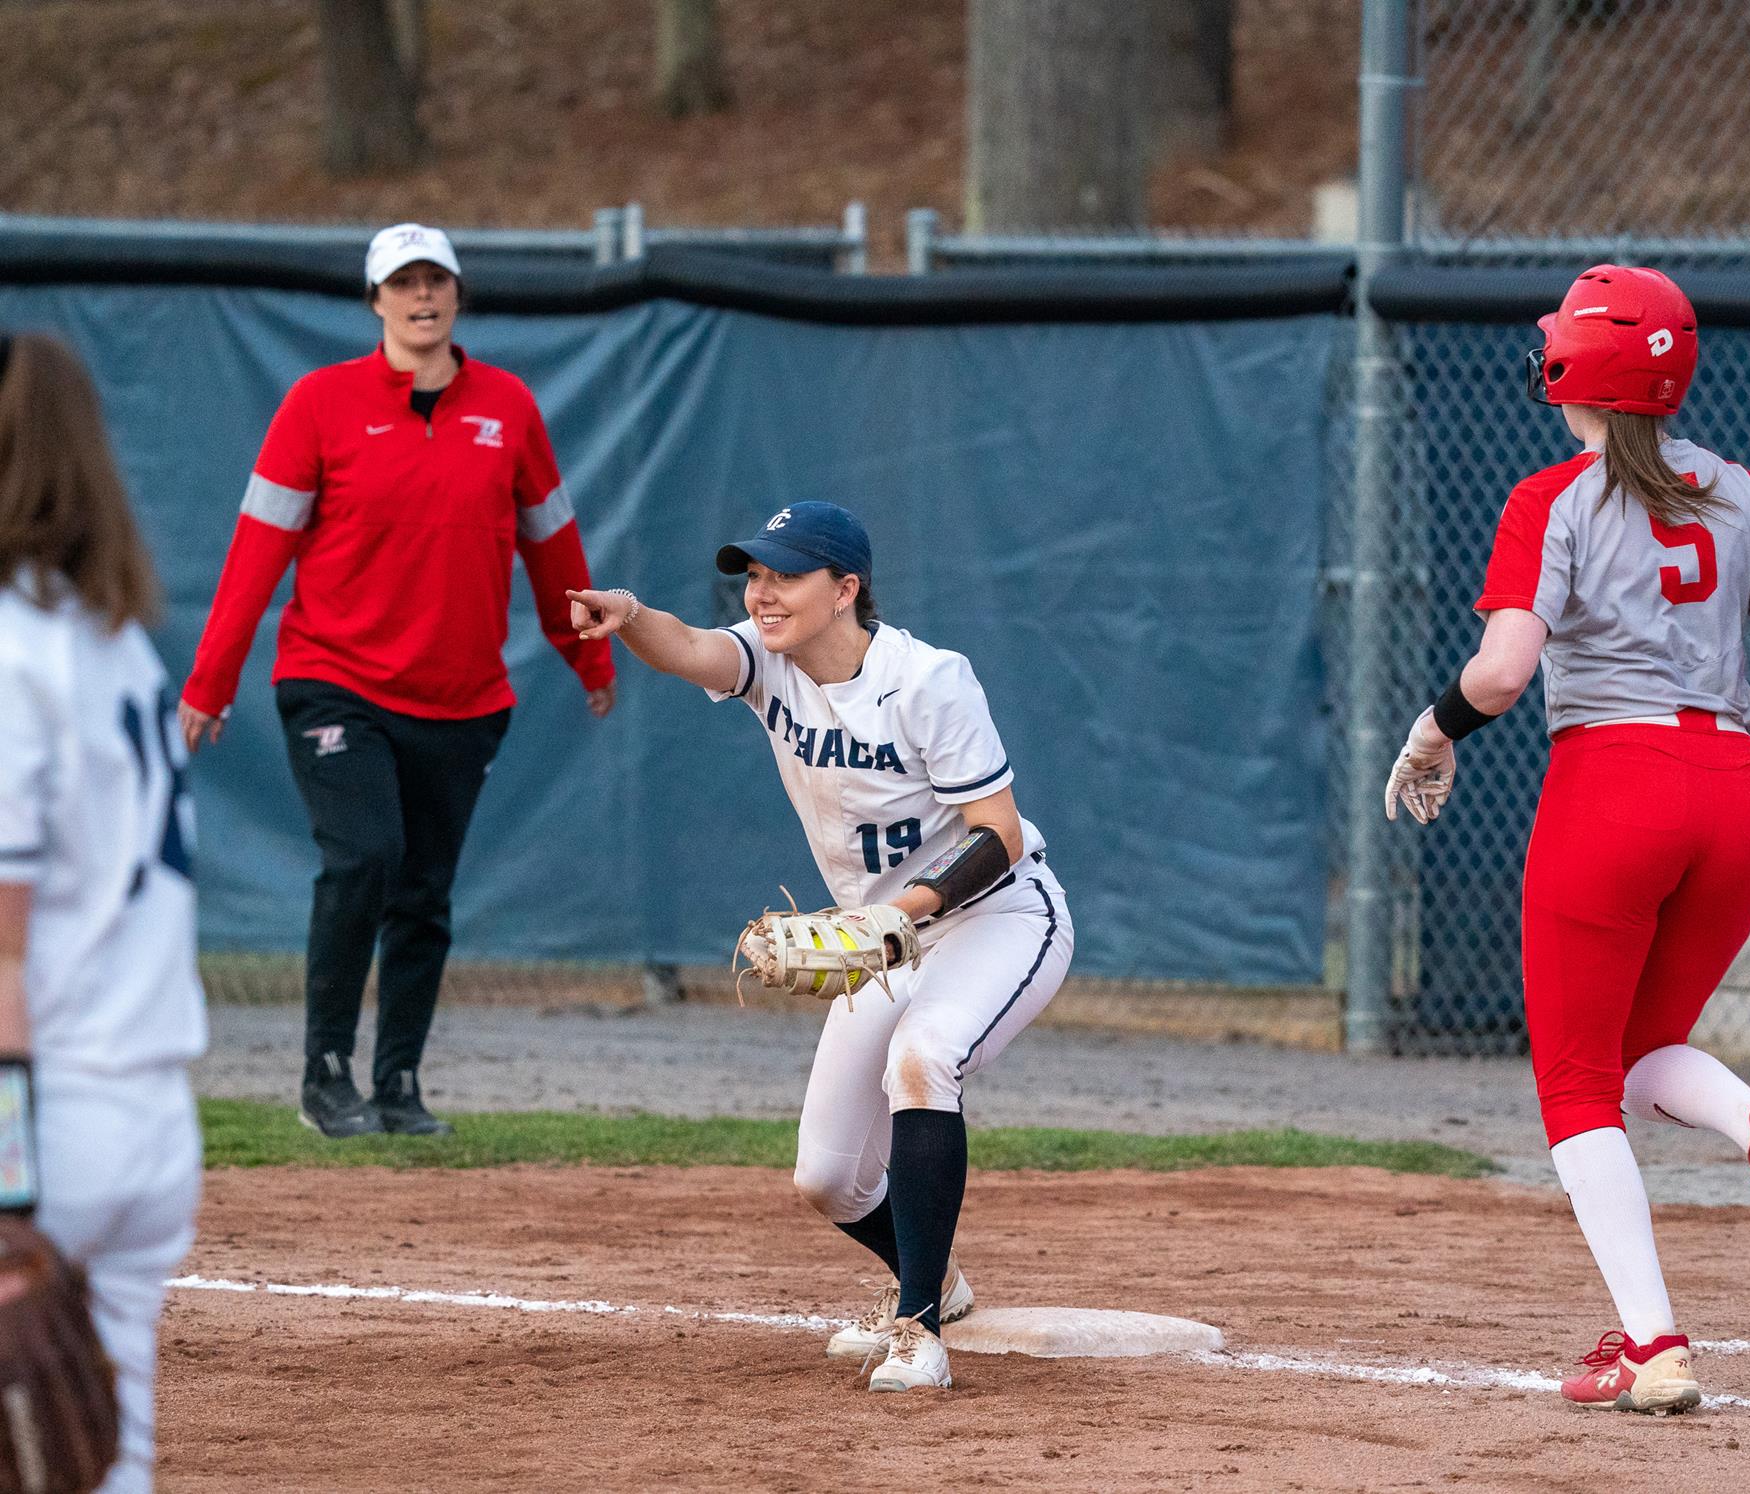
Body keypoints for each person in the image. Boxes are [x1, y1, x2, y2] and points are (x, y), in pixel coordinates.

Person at [1383, 266, 1750, 1415]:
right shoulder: (1735, 487)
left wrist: (1432, 732)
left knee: (1576, 1080)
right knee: (1642, 1051)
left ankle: (1651, 1344)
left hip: (1615, 780)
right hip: (1734, 787)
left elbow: (1500, 671)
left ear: (1566, 368)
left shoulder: (1551, 496)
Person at [570, 501, 1073, 1393]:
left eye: (785, 575)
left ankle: (917, 1329)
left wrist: (901, 913)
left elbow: (994, 829)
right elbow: (689, 646)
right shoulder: (770, 662)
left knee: (924, 1059)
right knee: (829, 1179)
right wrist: (632, 615)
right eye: (755, 575)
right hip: (876, 941)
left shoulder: (928, 680)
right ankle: (940, 1285)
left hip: (994, 917)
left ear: (846, 589)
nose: (762, 592)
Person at [179, 223, 616, 1139]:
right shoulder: (318, 405)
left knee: (422, 892)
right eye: (403, 283)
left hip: (462, 699)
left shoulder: (510, 409)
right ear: (375, 300)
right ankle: (324, 1076)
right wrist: (211, 681)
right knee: (364, 856)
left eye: (437, 281)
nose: (423, 297)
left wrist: (587, 653)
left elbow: (552, 544)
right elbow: (258, 552)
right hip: (333, 679)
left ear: (458, 295)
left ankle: (399, 1085)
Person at [0, 331, 207, 1492]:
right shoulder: (117, 646)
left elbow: (2, 963)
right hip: (151, 1125)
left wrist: (9, 1197)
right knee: (102, 1460)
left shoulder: (11, 651)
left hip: (52, 1123)